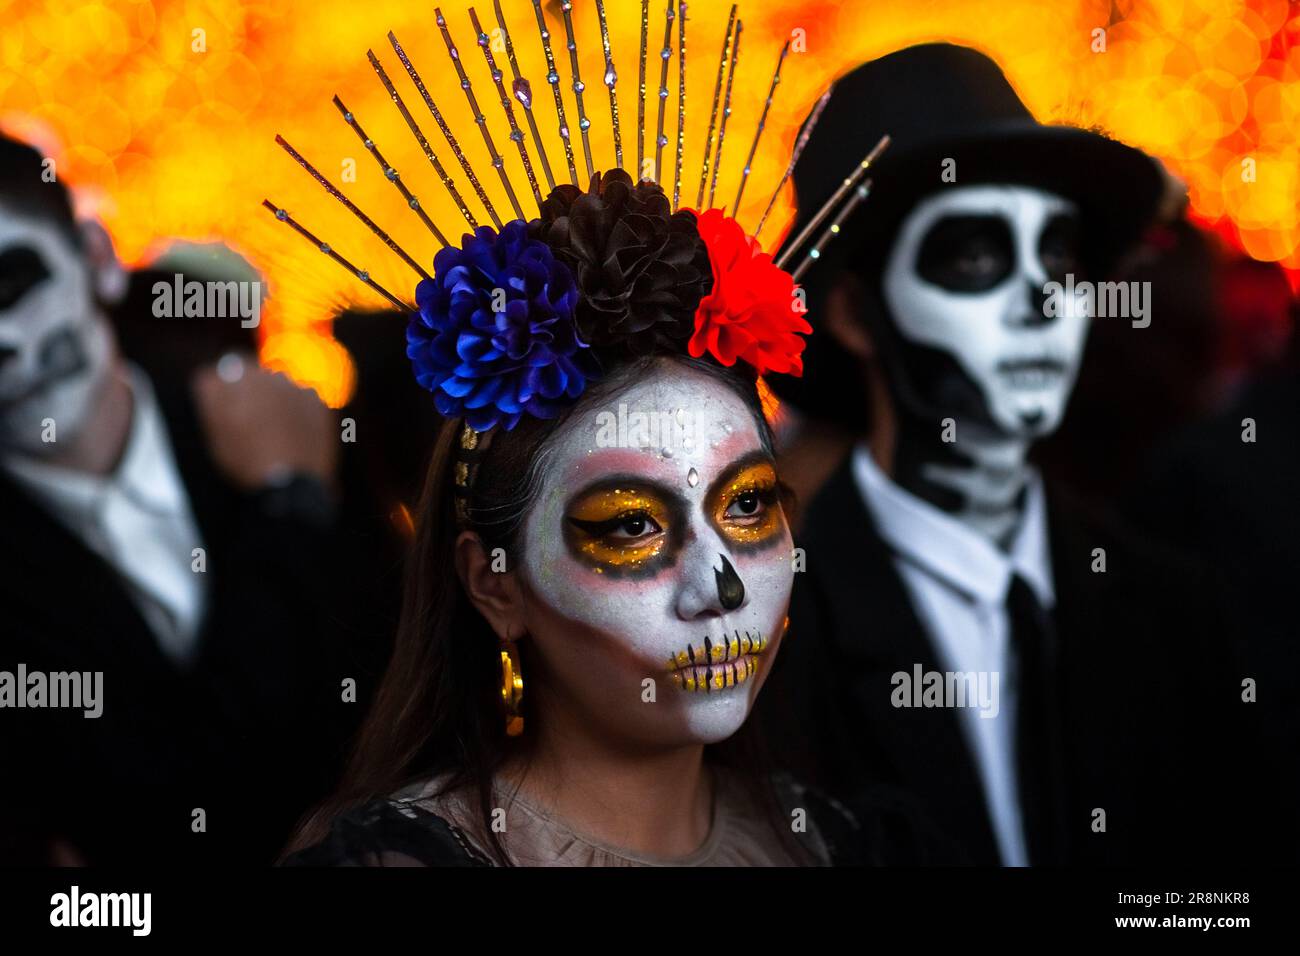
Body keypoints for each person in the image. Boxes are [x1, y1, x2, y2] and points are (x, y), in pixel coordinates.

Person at [281, 172, 922, 867]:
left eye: (746, 505)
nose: (721, 588)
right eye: (630, 525)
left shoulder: (847, 846)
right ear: (494, 584)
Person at [757, 44, 1263, 866]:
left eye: (1058, 255)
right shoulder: (774, 647)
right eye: (974, 255)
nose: (1041, 299)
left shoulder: (1172, 604)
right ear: (852, 312)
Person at [0, 132, 354, 864]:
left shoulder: (266, 409)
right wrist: (286, 508)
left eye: (12, 283)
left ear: (96, 259)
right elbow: (172, 823)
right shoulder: (279, 456)